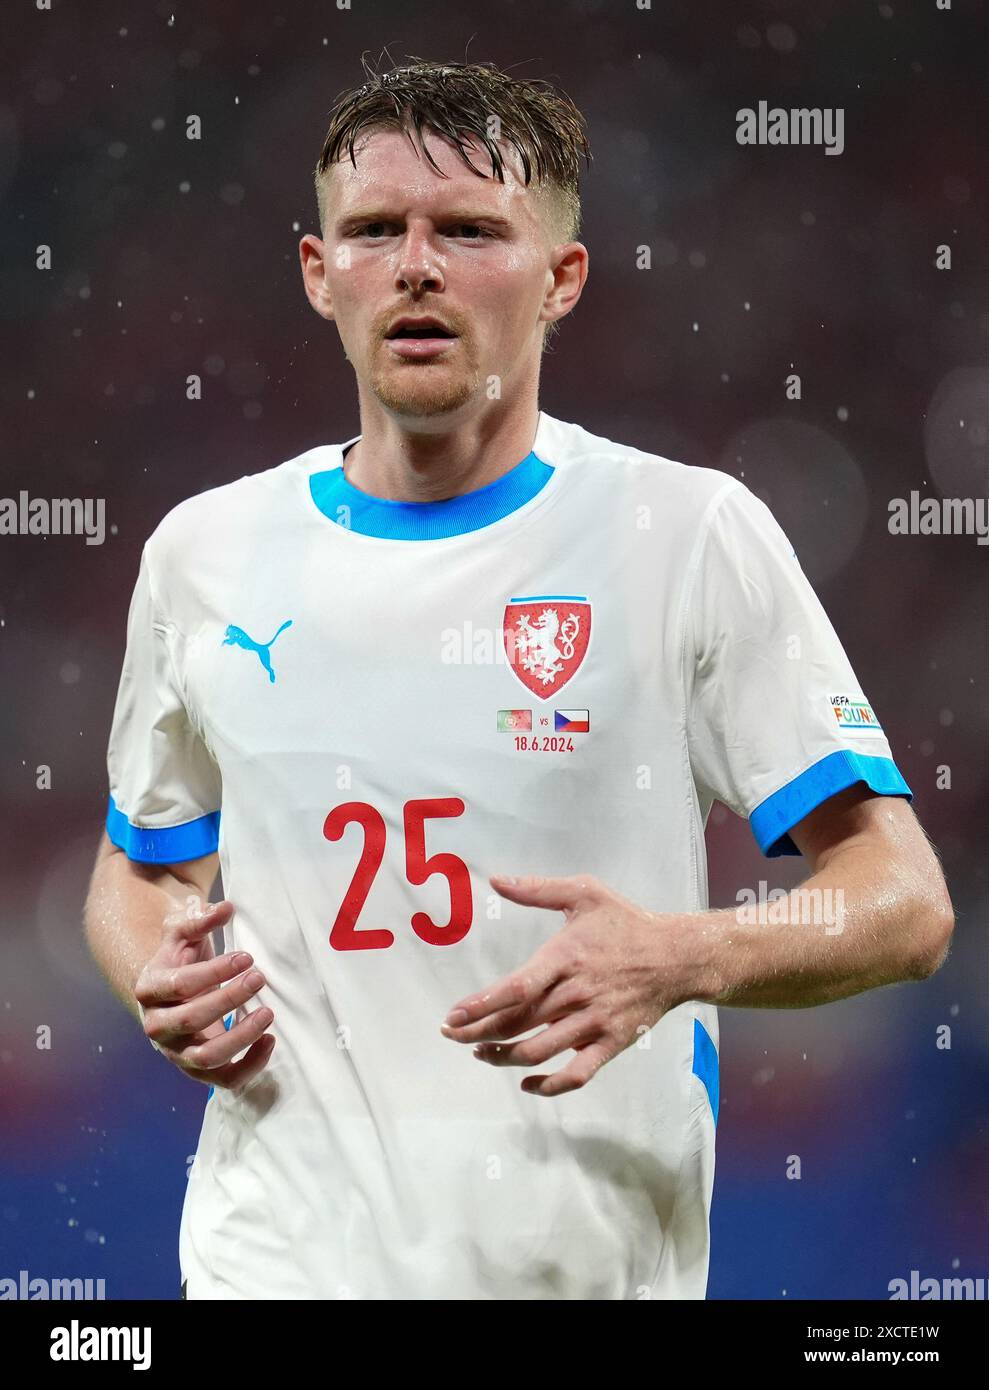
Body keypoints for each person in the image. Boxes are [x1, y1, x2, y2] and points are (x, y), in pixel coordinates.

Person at [84, 56, 954, 1301]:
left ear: (562, 279)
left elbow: (902, 901)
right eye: (375, 230)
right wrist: (152, 973)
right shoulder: (204, 553)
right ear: (318, 273)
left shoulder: (683, 533)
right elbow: (143, 864)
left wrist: (685, 955)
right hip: (268, 1267)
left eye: (471, 230)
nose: (416, 265)